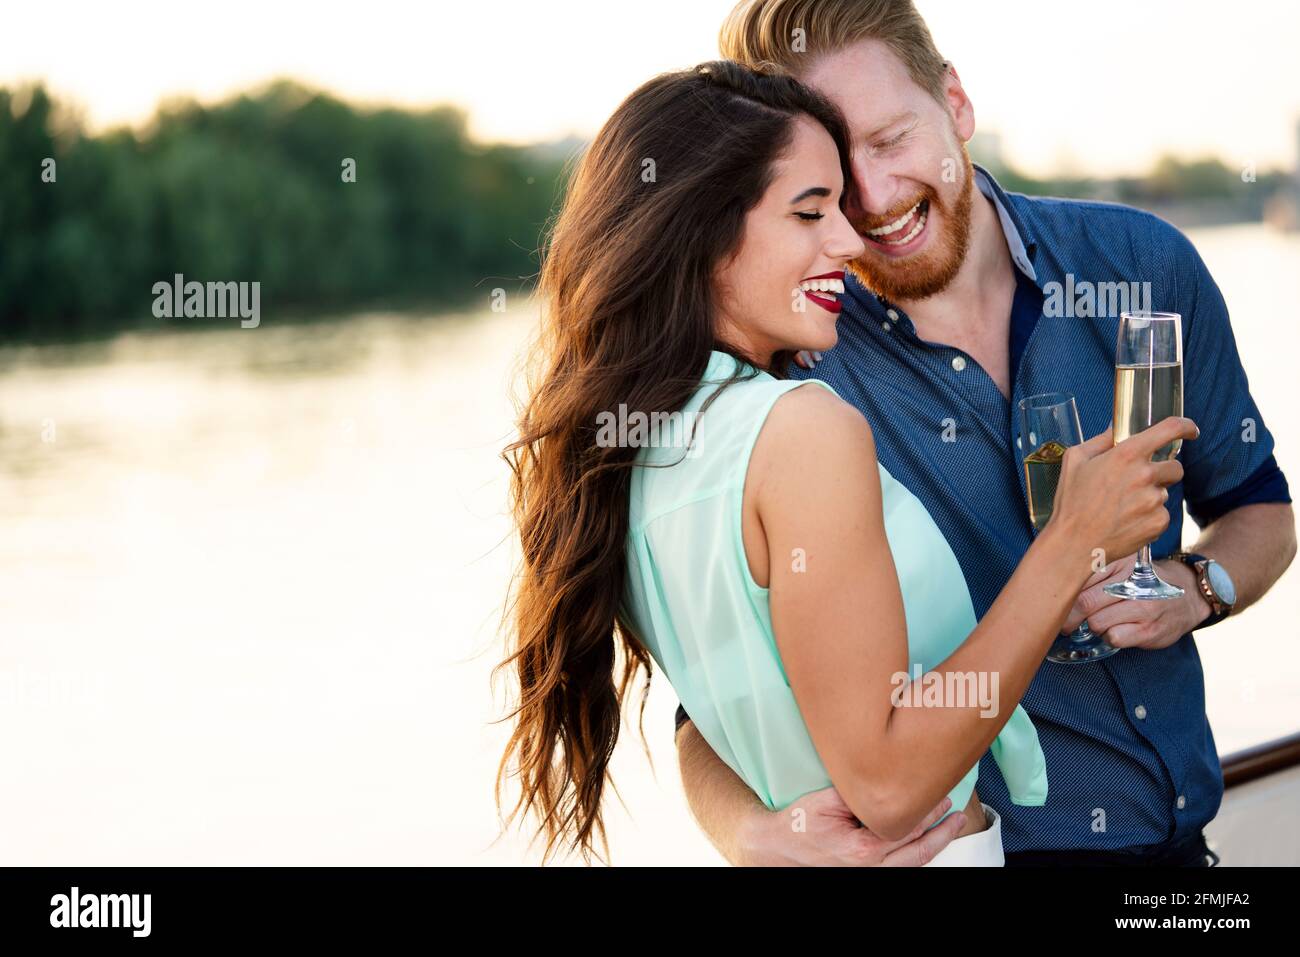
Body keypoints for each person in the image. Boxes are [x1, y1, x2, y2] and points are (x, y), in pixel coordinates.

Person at [494, 58, 1196, 865]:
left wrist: (756, 832)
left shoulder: (637, 443)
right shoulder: (802, 430)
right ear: (704, 229)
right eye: (809, 212)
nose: (848, 238)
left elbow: (734, 698)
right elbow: (891, 789)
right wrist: (1071, 541)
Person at [667, 0, 1296, 867]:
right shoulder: (794, 373)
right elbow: (712, 693)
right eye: (832, 174)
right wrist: (744, 834)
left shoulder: (1143, 266)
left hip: (1184, 864)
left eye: (891, 140)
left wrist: (1200, 585)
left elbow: (1262, 508)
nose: (875, 198)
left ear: (955, 102)